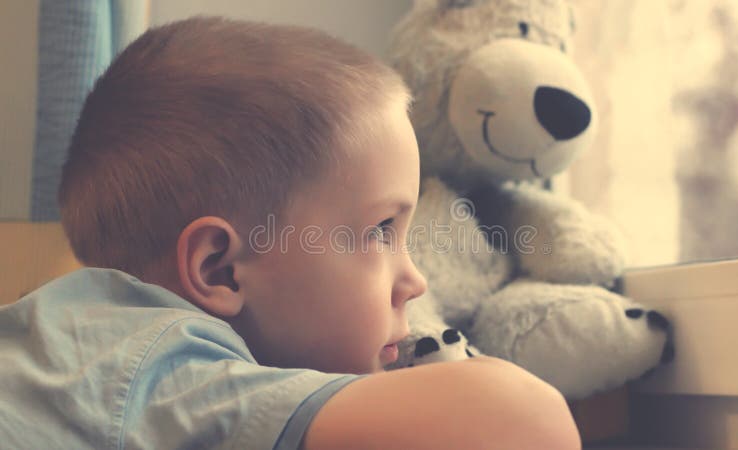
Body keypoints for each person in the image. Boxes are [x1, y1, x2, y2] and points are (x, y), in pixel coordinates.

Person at [0, 16, 580, 449]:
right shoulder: (163, 364)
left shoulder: (74, 347)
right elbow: (528, 422)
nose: (415, 281)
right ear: (219, 270)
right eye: (381, 230)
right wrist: (451, 372)